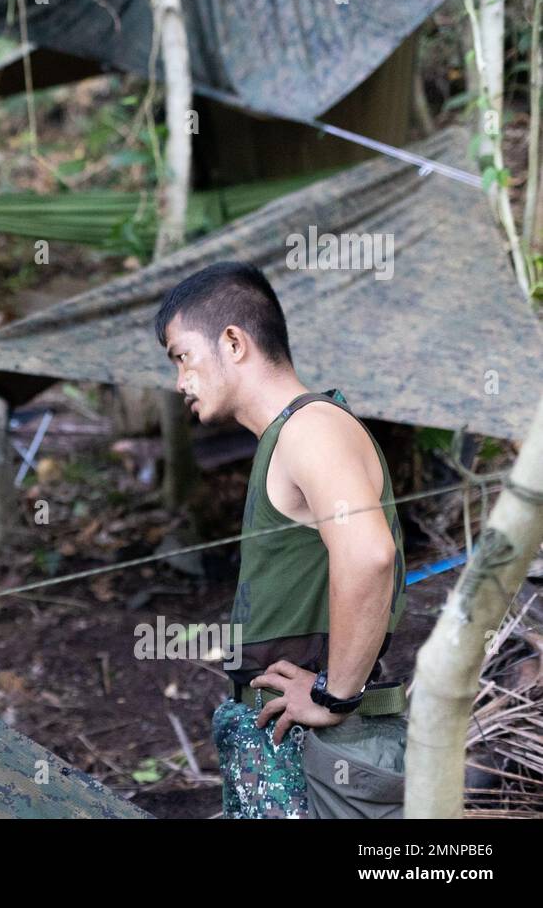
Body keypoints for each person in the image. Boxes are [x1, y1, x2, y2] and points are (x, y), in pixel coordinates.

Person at [154, 261, 406, 818]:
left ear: (233, 342)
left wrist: (334, 695)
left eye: (182, 357)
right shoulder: (288, 435)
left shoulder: (309, 428)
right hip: (288, 741)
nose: (179, 382)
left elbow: (369, 555)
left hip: (315, 746)